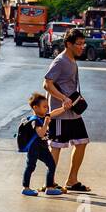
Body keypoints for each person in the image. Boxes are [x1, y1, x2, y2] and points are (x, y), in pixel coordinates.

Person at [43, 28, 91, 193]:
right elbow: (47, 84)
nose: (81, 47)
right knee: (56, 146)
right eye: (78, 44)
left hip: (73, 112)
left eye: (83, 44)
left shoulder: (72, 60)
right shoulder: (60, 61)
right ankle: (50, 182)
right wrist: (64, 99)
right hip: (59, 113)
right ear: (68, 44)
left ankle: (72, 180)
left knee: (82, 142)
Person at [21, 92, 65, 197]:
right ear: (35, 107)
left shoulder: (45, 116)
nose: (47, 109)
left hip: (43, 147)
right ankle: (25, 188)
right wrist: (46, 124)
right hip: (34, 148)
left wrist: (64, 108)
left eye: (47, 106)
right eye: (44, 107)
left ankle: (49, 187)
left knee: (51, 164)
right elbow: (40, 133)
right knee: (30, 166)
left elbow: (54, 113)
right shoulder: (34, 120)